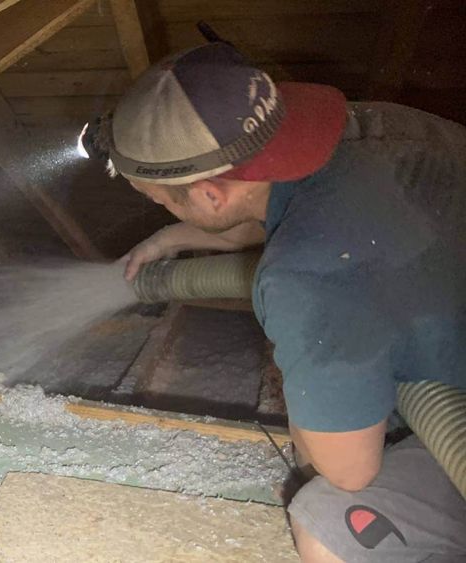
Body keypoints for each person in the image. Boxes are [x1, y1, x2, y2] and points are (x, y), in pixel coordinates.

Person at [100, 42, 466, 562]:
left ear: (209, 194)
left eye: (158, 197)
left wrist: (297, 386)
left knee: (323, 522)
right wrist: (170, 238)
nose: (159, 205)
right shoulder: (376, 127)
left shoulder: (305, 277)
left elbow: (350, 471)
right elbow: (268, 210)